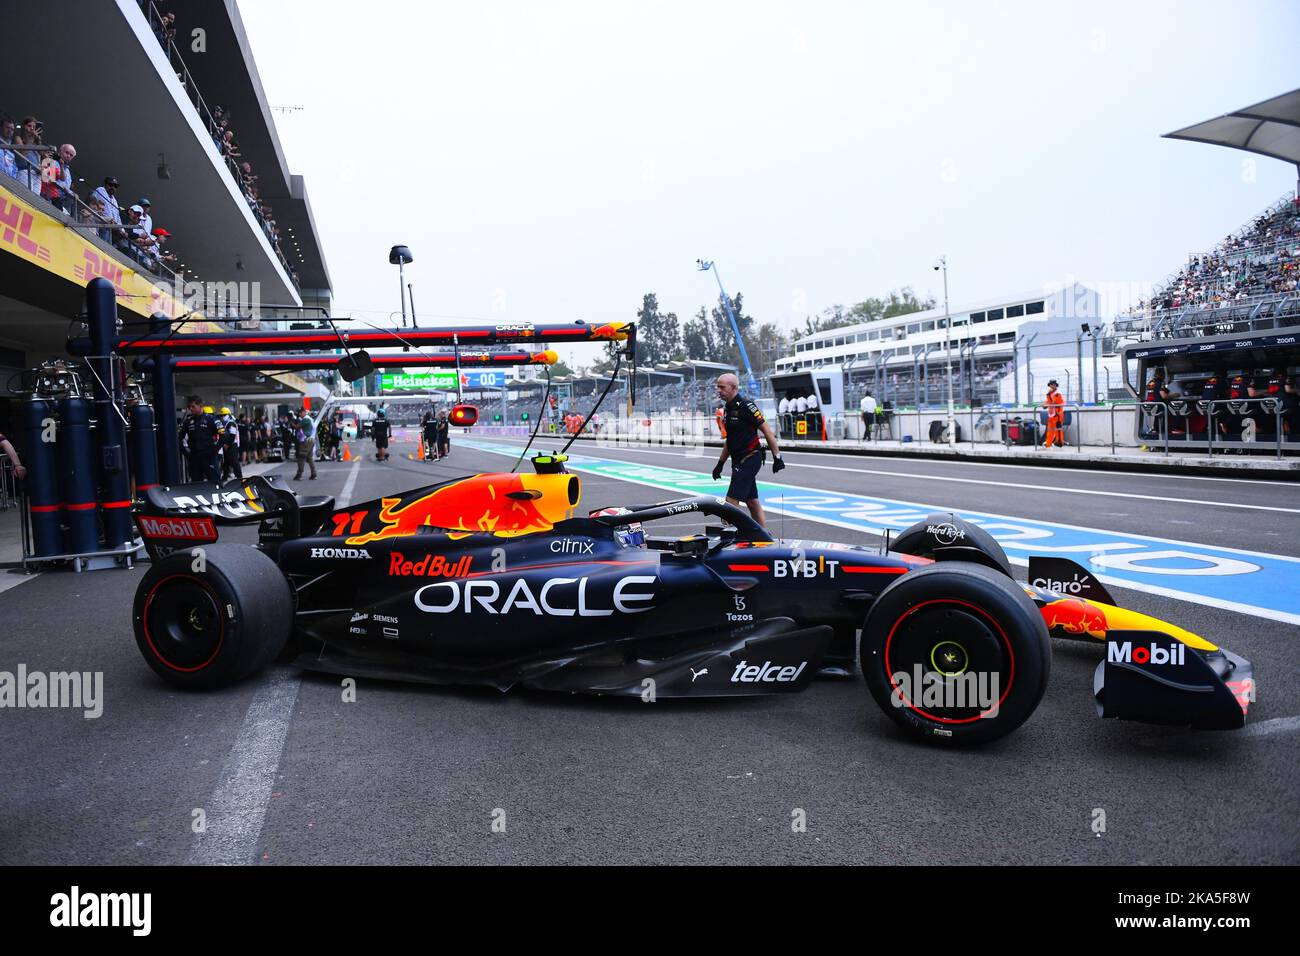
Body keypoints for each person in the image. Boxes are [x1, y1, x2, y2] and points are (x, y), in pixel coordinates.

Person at [710, 373, 784, 529]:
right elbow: (730, 440)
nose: (718, 390)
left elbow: (767, 431)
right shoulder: (727, 409)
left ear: (734, 388)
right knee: (752, 501)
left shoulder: (747, 406)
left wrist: (777, 457)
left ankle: (735, 535)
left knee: (730, 502)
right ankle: (765, 537)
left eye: (722, 387)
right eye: (717, 386)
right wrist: (720, 464)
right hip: (738, 460)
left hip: (750, 458)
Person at [179, 395, 219, 482]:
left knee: (215, 483)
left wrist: (215, 450)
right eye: (189, 406)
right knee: (196, 484)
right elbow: (179, 438)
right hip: (194, 457)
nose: (191, 409)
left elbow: (224, 435)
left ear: (200, 406)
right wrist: (186, 453)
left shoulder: (211, 419)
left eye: (193, 406)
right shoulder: (188, 421)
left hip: (209, 456)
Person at [218, 407, 242, 480]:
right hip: (227, 445)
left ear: (228, 415)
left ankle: (239, 476)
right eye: (221, 415)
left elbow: (232, 435)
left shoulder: (231, 423)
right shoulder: (225, 423)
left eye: (224, 415)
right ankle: (225, 476)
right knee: (226, 462)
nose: (222, 417)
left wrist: (227, 444)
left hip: (232, 445)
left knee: (234, 461)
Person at [292, 410, 317, 480]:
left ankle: (299, 475)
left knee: (301, 457)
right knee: (310, 458)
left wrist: (292, 424)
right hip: (311, 439)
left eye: (300, 413)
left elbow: (297, 427)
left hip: (306, 440)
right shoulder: (310, 419)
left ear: (303, 412)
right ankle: (314, 474)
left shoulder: (306, 419)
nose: (300, 415)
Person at [1043, 379, 1065, 448]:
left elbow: (1056, 402)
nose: (1052, 385)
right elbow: (1049, 401)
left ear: (1056, 385)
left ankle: (1059, 442)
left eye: (1053, 384)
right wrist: (1045, 405)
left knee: (1058, 429)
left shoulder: (1058, 393)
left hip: (1057, 414)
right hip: (1051, 414)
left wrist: (1046, 405)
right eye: (1051, 384)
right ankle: (1048, 443)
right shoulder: (1049, 393)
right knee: (1050, 429)